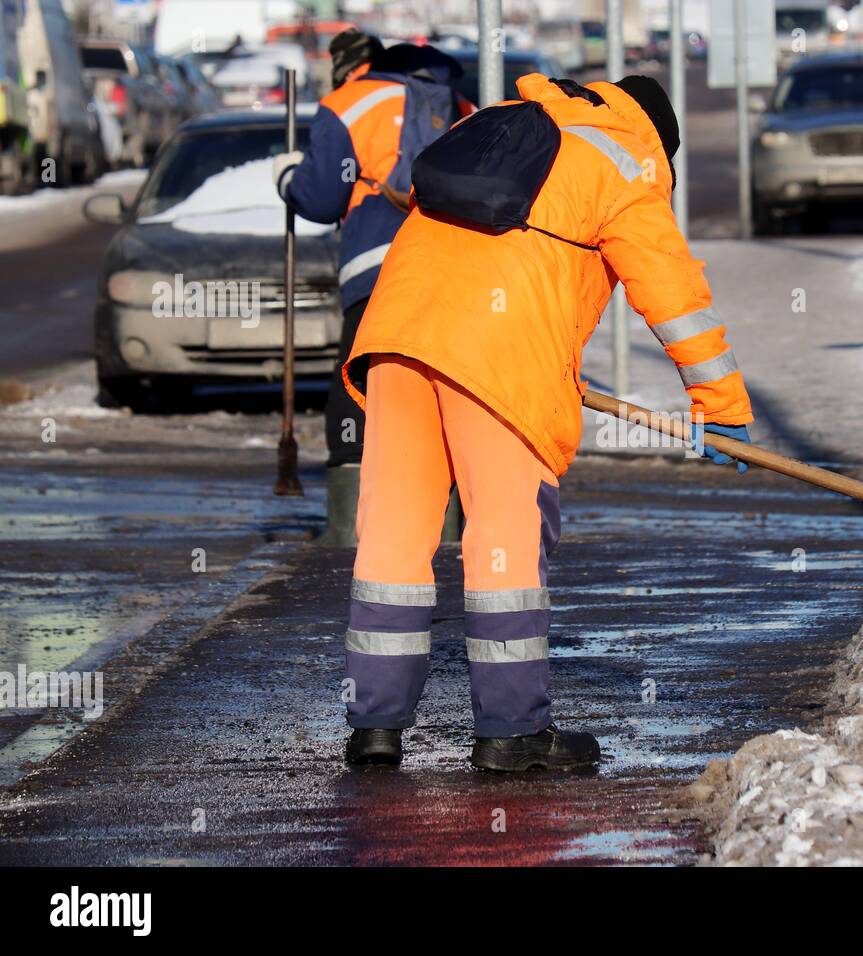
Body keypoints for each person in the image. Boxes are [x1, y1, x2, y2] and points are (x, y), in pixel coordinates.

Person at [336, 73, 755, 769]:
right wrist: (722, 407)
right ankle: (511, 733)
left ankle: (374, 726)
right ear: (661, 139)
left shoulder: (509, 118)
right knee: (504, 537)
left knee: (392, 536)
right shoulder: (627, 159)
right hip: (495, 360)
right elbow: (675, 296)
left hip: (399, 332)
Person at [273, 31, 474, 546]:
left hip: (377, 268)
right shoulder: (459, 105)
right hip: (455, 273)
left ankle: (350, 535)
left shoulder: (348, 102)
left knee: (359, 390)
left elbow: (320, 199)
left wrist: (288, 180)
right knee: (441, 394)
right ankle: (445, 534)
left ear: (344, 69)